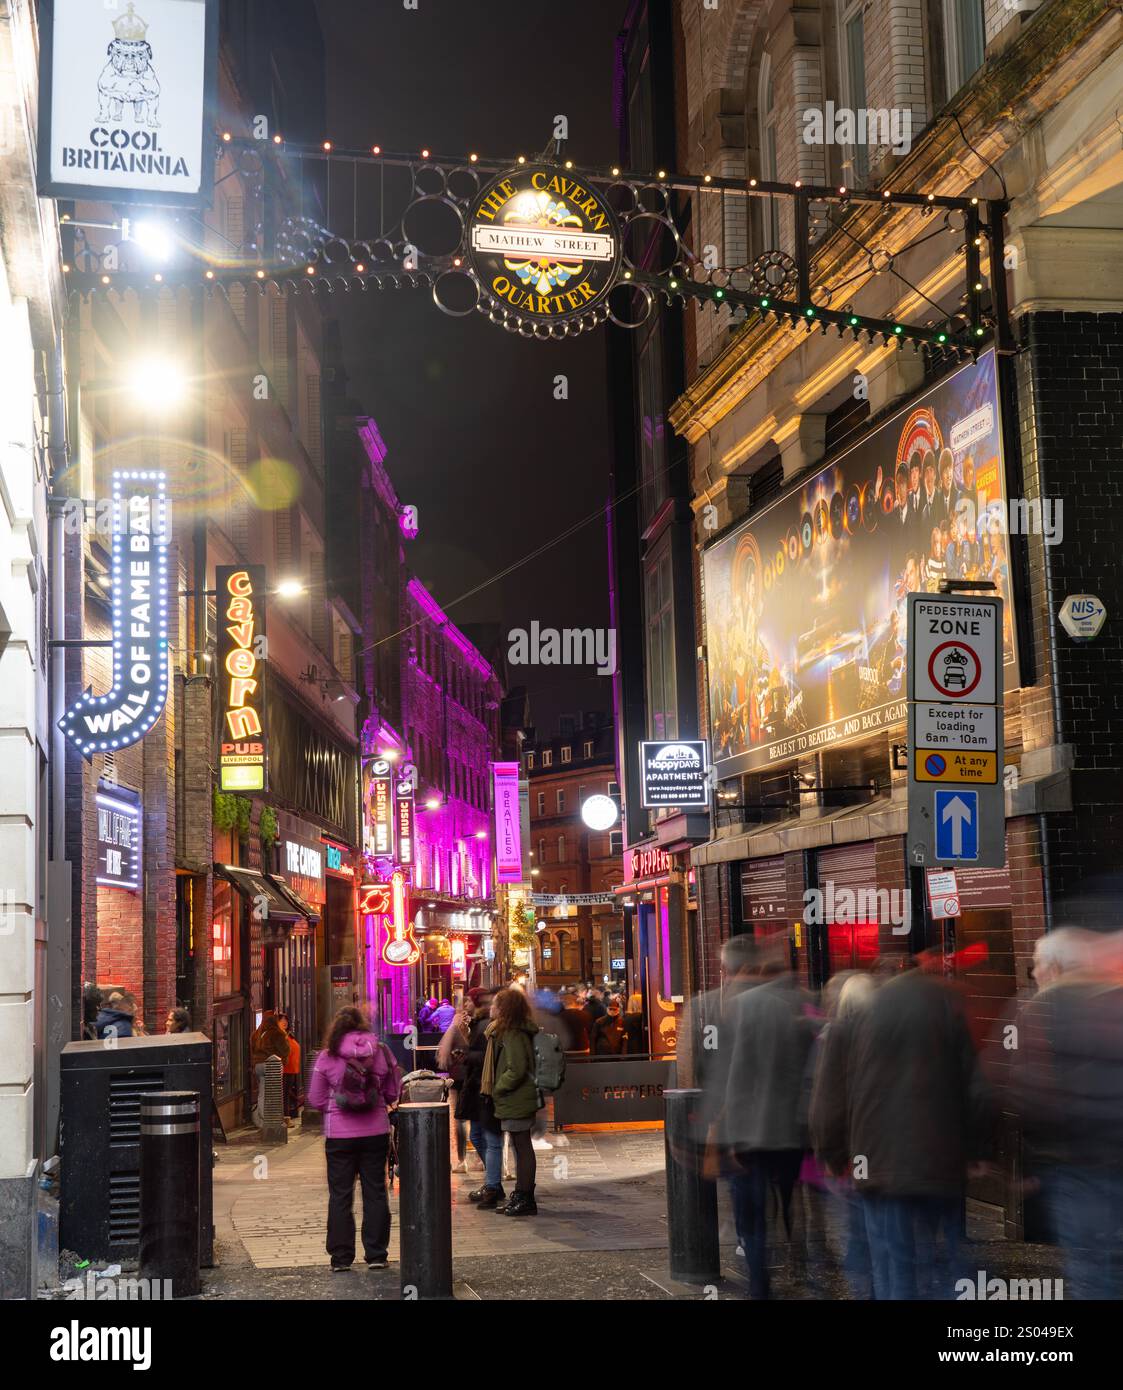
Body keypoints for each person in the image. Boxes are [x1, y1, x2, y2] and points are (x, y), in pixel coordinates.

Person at [812, 966, 990, 1300]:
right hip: (942, 1163)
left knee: (893, 1260)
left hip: (880, 1166)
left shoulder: (846, 1029)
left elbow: (829, 1102)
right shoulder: (947, 1024)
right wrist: (977, 1151)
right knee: (943, 1255)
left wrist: (832, 1155)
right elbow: (978, 1091)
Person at [990, 929, 1123, 1299]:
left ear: (1053, 968)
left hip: (1078, 1164)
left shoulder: (1038, 1009)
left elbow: (1027, 1093)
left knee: (1092, 1270)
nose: (1033, 973)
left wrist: (1021, 1165)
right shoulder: (1113, 1000)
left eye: (1037, 964)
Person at [719, 962, 821, 1299]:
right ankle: (799, 1258)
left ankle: (760, 1280)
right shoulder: (802, 1008)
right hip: (790, 1128)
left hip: (753, 1131)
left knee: (753, 1210)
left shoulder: (745, 1007)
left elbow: (737, 1074)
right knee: (790, 1197)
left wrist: (732, 1130)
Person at [306, 1005, 400, 1271]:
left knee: (340, 1196)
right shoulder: (381, 1051)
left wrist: (335, 1107)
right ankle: (377, 1254)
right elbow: (394, 1093)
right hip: (375, 1133)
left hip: (339, 1137)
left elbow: (314, 1099)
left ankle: (341, 1258)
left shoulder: (327, 1056)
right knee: (375, 1192)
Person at [481, 987, 540, 1216]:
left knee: (522, 1145)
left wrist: (498, 1087)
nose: (491, 1007)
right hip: (515, 1097)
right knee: (520, 1144)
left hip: (517, 1096)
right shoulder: (505, 1031)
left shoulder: (513, 1033)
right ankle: (521, 1194)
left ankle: (525, 1197)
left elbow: (516, 1069)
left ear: (505, 1009)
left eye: (495, 1003)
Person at [457, 990, 505, 1207]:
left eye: (466, 1000)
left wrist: (466, 1055)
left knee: (484, 1137)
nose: (464, 1003)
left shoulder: (486, 1024)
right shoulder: (480, 1023)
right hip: (478, 1086)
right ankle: (492, 1183)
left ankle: (493, 1185)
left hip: (482, 1088)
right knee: (479, 1135)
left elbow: (487, 1055)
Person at [438, 993, 475, 1172]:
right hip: (465, 1078)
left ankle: (464, 1160)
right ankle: (465, 1159)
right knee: (465, 1119)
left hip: (464, 1079)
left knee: (462, 1119)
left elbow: (442, 1056)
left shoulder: (465, 1028)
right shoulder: (464, 1029)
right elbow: (444, 1055)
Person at [250, 1013, 290, 1128]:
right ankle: (274, 1119)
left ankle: (262, 1118)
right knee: (275, 1093)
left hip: (258, 1066)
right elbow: (285, 1051)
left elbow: (252, 1050)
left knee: (262, 1092)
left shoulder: (256, 1034)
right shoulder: (277, 1033)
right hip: (272, 1065)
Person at [276, 1012, 302, 1127]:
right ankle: (285, 1119)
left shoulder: (287, 1034)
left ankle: (286, 1118)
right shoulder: (279, 1035)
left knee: (286, 1094)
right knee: (284, 1095)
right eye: (281, 1020)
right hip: (284, 1069)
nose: (284, 1022)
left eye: (286, 1020)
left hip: (291, 1069)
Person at [561, 987, 592, 1052]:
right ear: (574, 1002)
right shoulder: (584, 1014)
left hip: (566, 1046)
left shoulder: (561, 1016)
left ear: (565, 1004)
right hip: (582, 1046)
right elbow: (589, 1029)